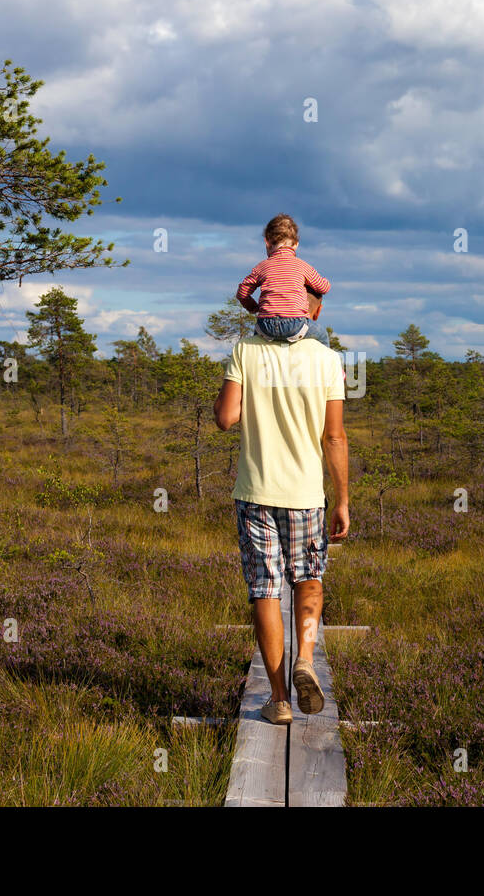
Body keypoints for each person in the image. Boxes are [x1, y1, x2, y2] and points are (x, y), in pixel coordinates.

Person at [213, 288, 350, 725]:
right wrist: (343, 499)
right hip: (306, 496)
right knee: (309, 580)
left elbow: (225, 418)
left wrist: (230, 389)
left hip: (255, 492)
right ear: (315, 308)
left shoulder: (245, 350)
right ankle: (305, 658)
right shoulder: (328, 360)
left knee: (265, 589)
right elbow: (334, 438)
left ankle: (279, 700)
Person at [236, 213, 332, 347]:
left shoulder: (261, 267)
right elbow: (324, 288)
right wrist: (324, 281)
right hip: (295, 325)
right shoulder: (302, 265)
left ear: (267, 242)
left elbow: (242, 293)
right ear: (296, 244)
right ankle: (334, 368)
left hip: (265, 326)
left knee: (256, 346)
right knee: (322, 334)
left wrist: (253, 308)